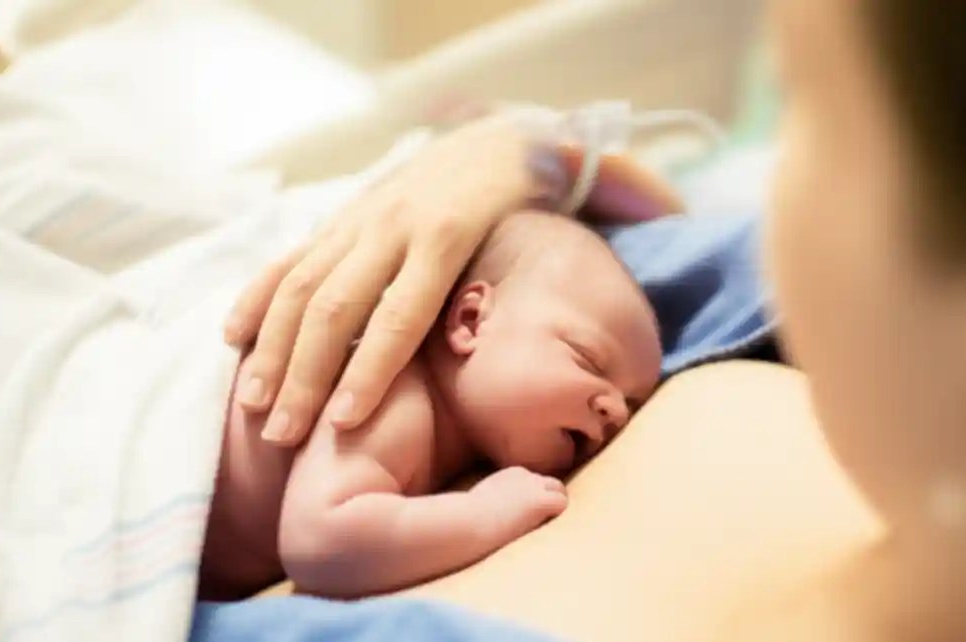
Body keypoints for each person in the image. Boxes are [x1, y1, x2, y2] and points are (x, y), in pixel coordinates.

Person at [232, 1, 966, 642]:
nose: (758, 212)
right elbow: (619, 237)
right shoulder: (912, 383)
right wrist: (522, 156)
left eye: (809, 109)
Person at [202, 210, 661, 600]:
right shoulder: (394, 392)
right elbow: (321, 540)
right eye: (589, 360)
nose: (616, 411)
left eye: (631, 402)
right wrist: (483, 515)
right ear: (471, 320)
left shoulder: (453, 428)